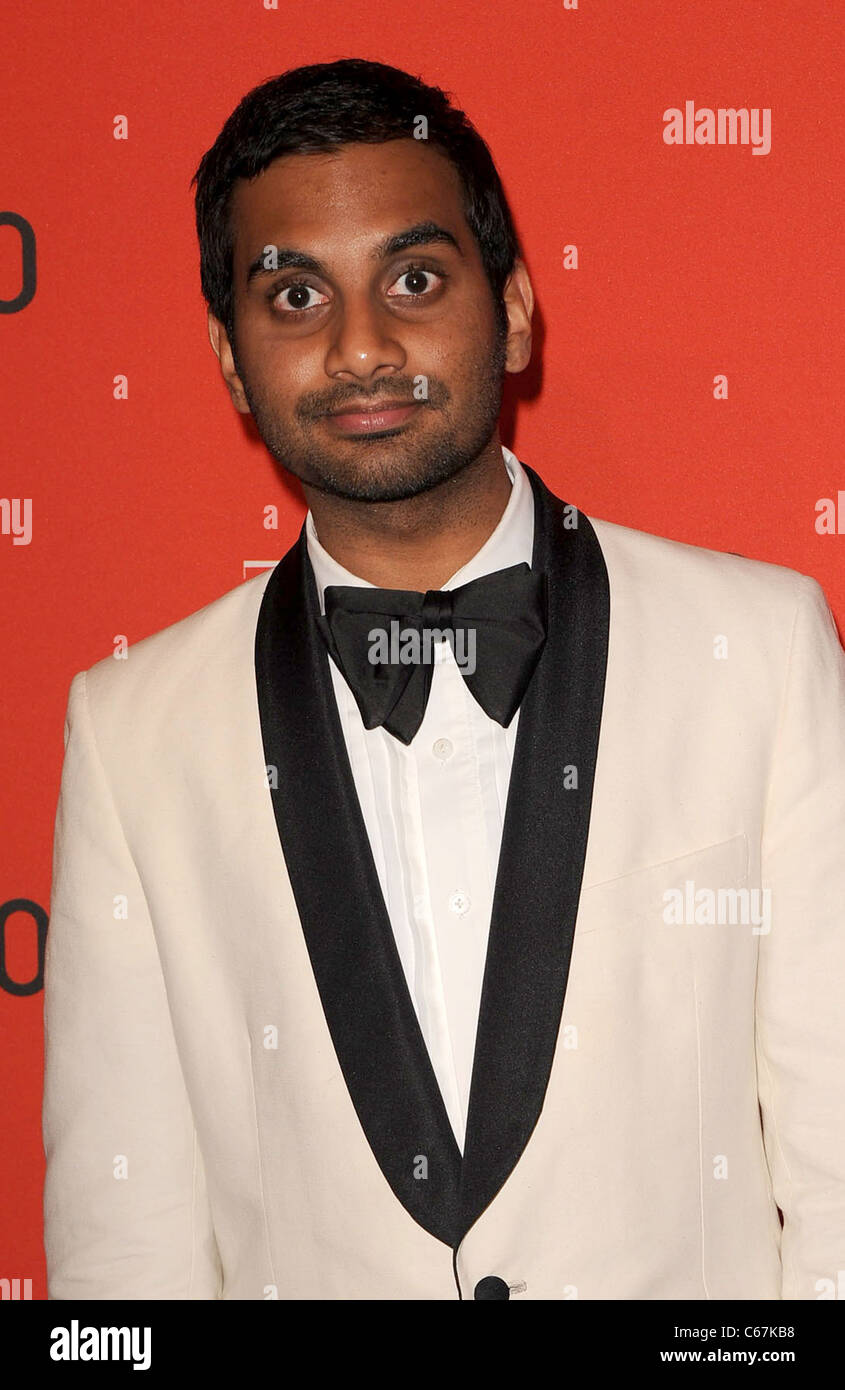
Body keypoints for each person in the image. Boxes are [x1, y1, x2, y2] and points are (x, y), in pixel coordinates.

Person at [42, 57, 845, 1300]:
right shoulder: (132, 731)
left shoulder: (759, 652)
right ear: (228, 358)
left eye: (412, 279)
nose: (362, 346)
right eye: (295, 295)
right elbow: (125, 1238)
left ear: (515, 309)